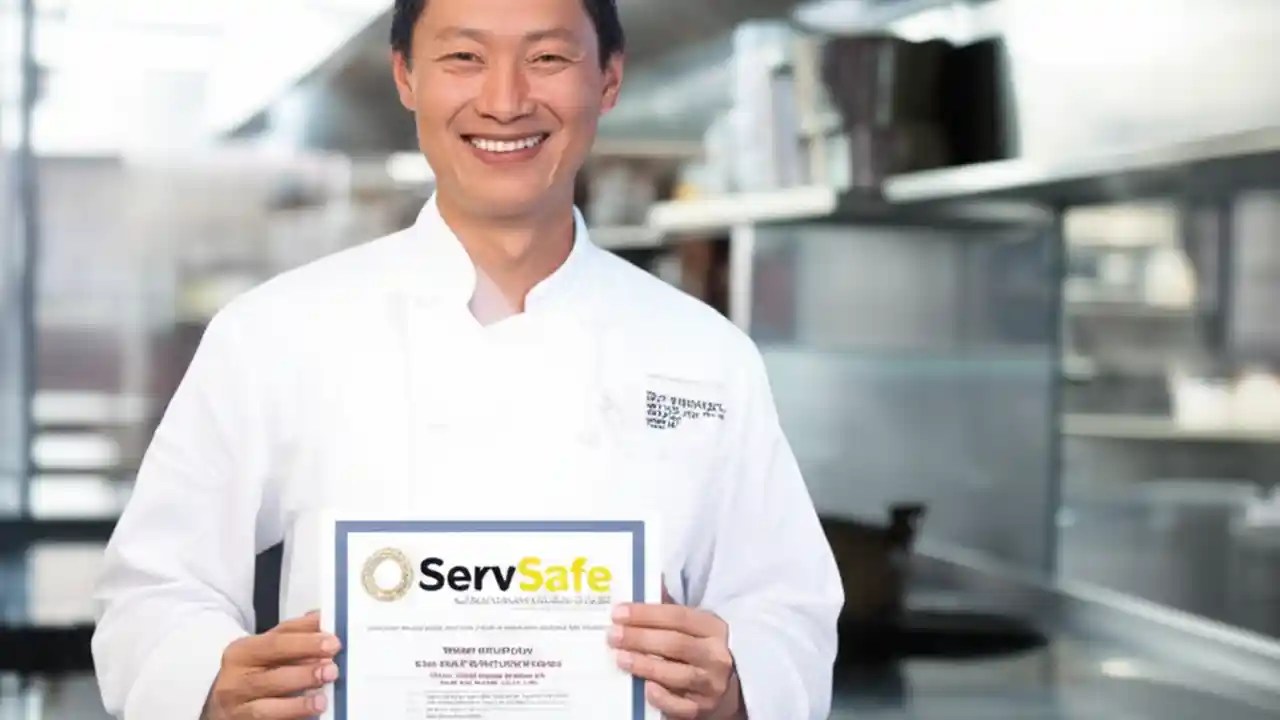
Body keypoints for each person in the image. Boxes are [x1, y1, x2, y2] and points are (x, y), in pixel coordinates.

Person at [91, 0, 844, 718]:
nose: (505, 100)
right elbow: (152, 590)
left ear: (608, 77)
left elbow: (787, 604)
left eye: (547, 56)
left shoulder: (705, 352)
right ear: (406, 77)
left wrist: (738, 676)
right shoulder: (274, 333)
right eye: (464, 57)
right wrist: (213, 680)